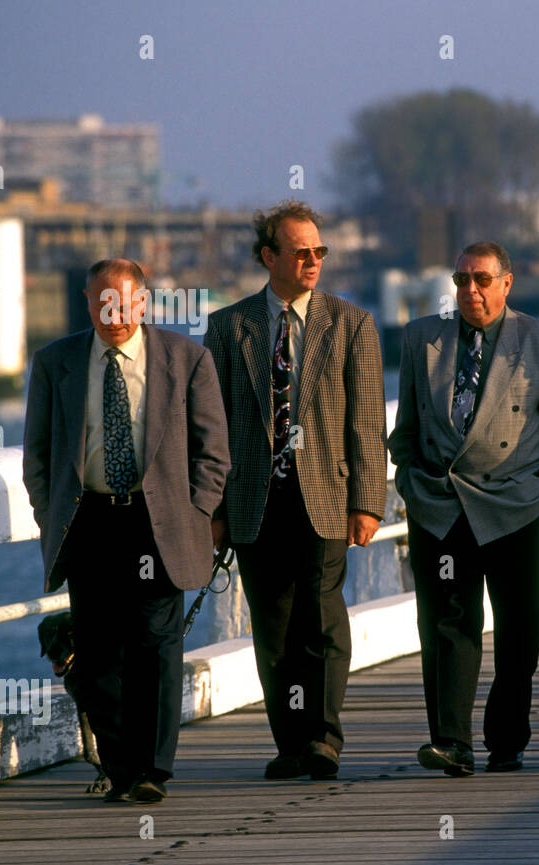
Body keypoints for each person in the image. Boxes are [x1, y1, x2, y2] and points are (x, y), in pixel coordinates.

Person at [23, 258, 230, 802]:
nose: (113, 313)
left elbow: (214, 454)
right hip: (87, 520)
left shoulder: (186, 360)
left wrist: (196, 513)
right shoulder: (55, 363)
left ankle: (152, 771)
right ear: (88, 303)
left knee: (156, 646)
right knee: (96, 654)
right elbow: (38, 456)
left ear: (143, 304)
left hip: (157, 520)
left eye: (124, 301)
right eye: (102, 302)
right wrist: (52, 517)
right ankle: (121, 767)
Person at [204, 201, 387, 782]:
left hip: (328, 496)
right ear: (269, 257)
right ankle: (289, 743)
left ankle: (324, 740)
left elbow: (367, 423)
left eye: (319, 252)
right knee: (274, 626)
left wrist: (368, 501)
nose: (312, 262)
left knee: (323, 619)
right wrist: (213, 512)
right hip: (255, 500)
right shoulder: (229, 327)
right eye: (300, 252)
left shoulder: (351, 323)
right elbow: (212, 426)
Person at [390, 241, 539, 776]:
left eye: (481, 279)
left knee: (519, 631)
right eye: (461, 280)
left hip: (515, 507)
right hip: (440, 506)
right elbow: (405, 428)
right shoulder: (421, 337)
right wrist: (410, 481)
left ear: (506, 283)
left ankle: (506, 740)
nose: (469, 290)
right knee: (447, 625)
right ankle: (451, 741)